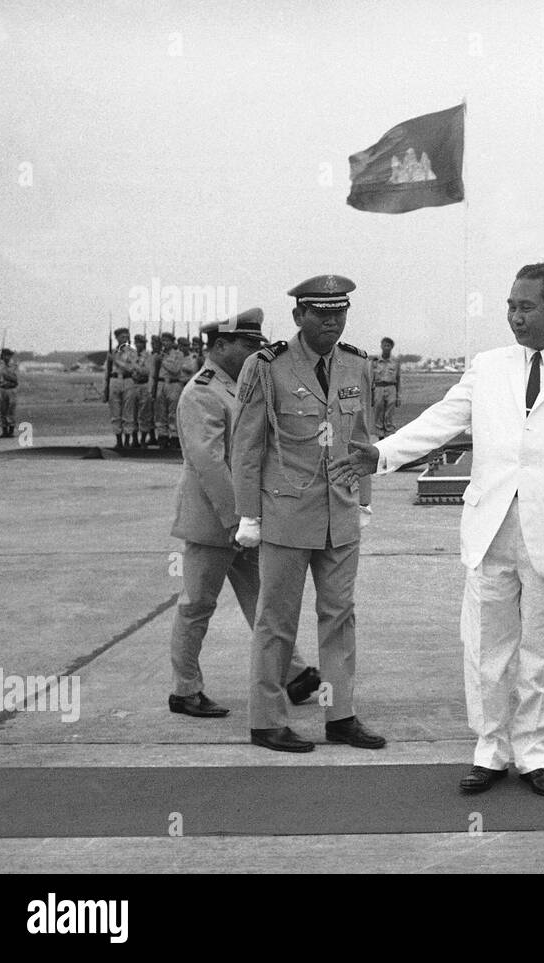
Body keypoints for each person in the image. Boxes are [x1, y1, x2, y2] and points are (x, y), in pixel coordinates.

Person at [332, 261, 544, 796]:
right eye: (510, 304)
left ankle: (532, 752)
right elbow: (443, 419)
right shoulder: (489, 366)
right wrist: (383, 454)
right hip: (490, 528)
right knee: (485, 646)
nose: (514, 316)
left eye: (526, 306)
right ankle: (489, 750)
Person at [231, 274, 383, 753]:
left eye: (339, 313)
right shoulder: (266, 366)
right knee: (276, 621)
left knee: (340, 616)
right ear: (299, 316)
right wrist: (248, 516)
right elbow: (247, 446)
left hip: (340, 514)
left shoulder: (356, 365)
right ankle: (266, 721)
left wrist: (364, 499)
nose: (331, 322)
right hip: (286, 514)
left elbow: (363, 437)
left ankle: (341, 717)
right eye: (321, 313)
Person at [168, 310, 319, 717]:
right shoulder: (202, 392)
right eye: (248, 345)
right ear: (219, 347)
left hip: (244, 521)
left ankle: (295, 674)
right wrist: (238, 518)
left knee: (264, 602)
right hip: (214, 522)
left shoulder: (237, 386)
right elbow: (209, 462)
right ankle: (185, 690)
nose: (257, 350)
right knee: (197, 605)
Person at [370, 337, 401, 439]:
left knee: (389, 413)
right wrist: (371, 396)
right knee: (378, 412)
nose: (386, 347)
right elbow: (371, 379)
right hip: (378, 388)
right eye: (384, 345)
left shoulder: (395, 362)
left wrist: (398, 396)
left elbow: (398, 379)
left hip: (391, 388)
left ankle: (389, 437)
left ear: (392, 347)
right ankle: (380, 437)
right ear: (381, 346)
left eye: (389, 346)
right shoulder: (375, 361)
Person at [131, 334, 155, 447]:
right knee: (133, 413)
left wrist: (135, 367)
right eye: (136, 343)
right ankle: (134, 439)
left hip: (144, 385)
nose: (137, 345)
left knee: (144, 413)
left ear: (144, 344)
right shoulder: (132, 355)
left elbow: (147, 371)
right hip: (133, 385)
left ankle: (143, 439)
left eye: (140, 343)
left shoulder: (148, 356)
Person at [0, 348, 17, 438]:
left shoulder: (13, 365)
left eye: (8, 355)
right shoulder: (0, 364)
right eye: (4, 355)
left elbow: (14, 379)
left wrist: (5, 374)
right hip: (2, 389)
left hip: (11, 389)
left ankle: (11, 431)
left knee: (11, 409)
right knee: (2, 410)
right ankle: (5, 431)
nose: (6, 357)